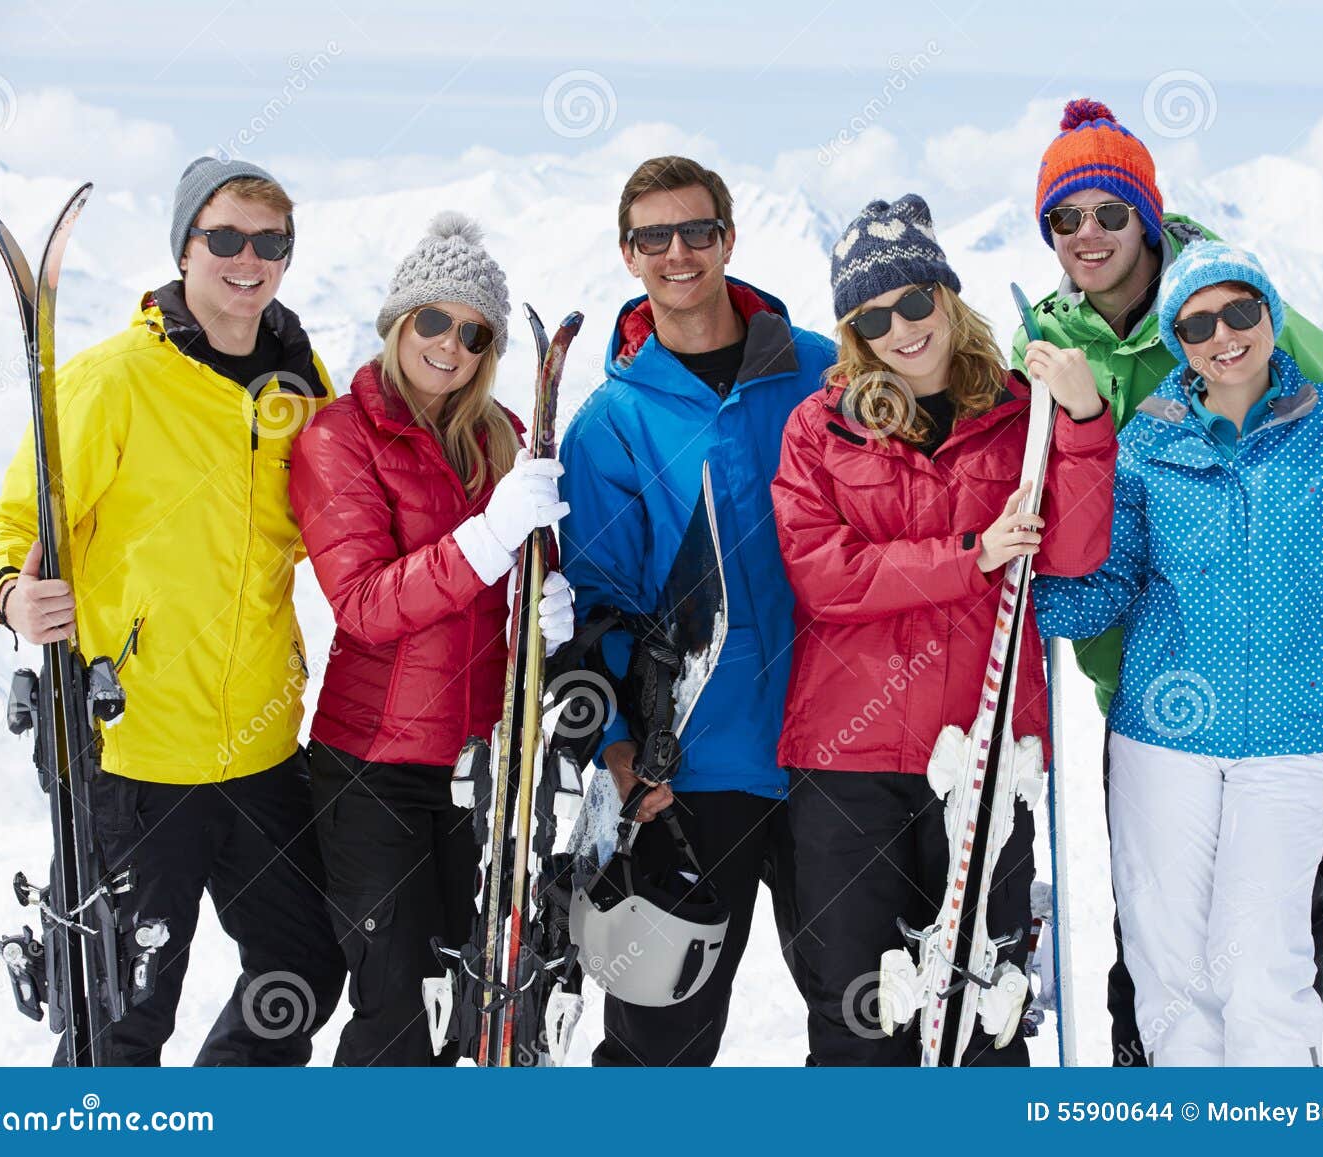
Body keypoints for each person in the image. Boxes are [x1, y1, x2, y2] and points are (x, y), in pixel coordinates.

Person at [1013, 98, 1323, 1064]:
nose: (1087, 235)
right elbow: (1080, 538)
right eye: (1065, 218)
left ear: (1146, 214)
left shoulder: (1291, 366)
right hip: (1140, 693)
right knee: (1161, 956)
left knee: (1266, 952)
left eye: (1107, 211)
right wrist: (1001, 589)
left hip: (1287, 708)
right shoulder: (1067, 364)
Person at [0, 157, 344, 1065]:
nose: (247, 258)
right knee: (122, 1006)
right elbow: (16, 519)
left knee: (303, 963)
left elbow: (328, 525)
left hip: (259, 741)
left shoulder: (301, 384)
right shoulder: (115, 379)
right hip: (131, 749)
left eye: (270, 242)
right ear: (184, 248)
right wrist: (12, 594)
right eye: (224, 238)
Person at [771, 193, 1117, 1065]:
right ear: (854, 329)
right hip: (849, 761)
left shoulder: (1020, 414)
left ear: (948, 298)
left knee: (984, 1016)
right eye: (874, 314)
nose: (901, 328)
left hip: (986, 750)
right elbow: (822, 573)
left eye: (915, 301)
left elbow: (1071, 556)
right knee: (859, 1015)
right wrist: (971, 554)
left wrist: (1078, 424)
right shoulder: (821, 426)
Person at [558, 155, 829, 1065]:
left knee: (867, 1015)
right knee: (660, 1035)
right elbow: (598, 607)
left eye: (697, 231)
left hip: (836, 749)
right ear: (630, 254)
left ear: (728, 238)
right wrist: (620, 754)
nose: (680, 253)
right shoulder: (614, 422)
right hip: (692, 771)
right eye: (656, 237)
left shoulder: (825, 375)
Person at [288, 213, 575, 1065]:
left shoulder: (506, 439)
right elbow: (366, 603)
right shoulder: (338, 437)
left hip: (485, 772)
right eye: (435, 321)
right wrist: (488, 542)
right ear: (398, 322)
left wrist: (545, 606)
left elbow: (524, 568)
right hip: (374, 772)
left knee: (476, 1010)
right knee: (398, 1013)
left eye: (474, 330)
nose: (452, 344)